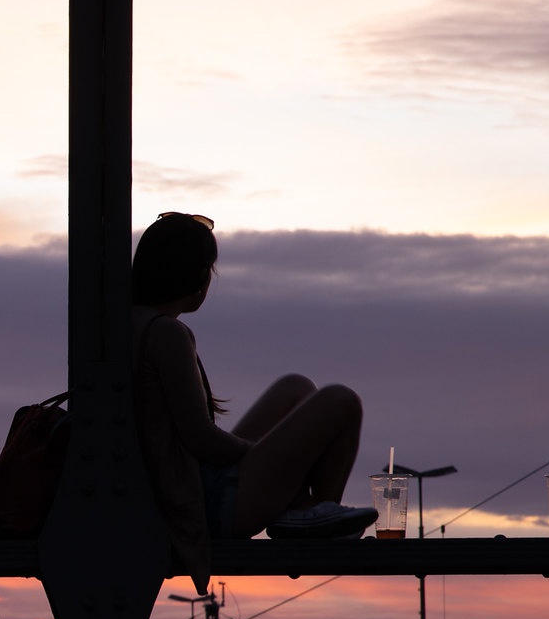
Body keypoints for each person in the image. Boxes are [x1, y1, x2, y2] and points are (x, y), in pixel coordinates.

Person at [132, 212, 375, 594]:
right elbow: (200, 438)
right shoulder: (166, 333)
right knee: (341, 401)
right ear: (193, 277)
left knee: (296, 387)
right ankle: (311, 515)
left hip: (183, 488)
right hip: (204, 503)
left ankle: (305, 513)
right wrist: (263, 457)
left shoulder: (130, 324)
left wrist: (269, 458)